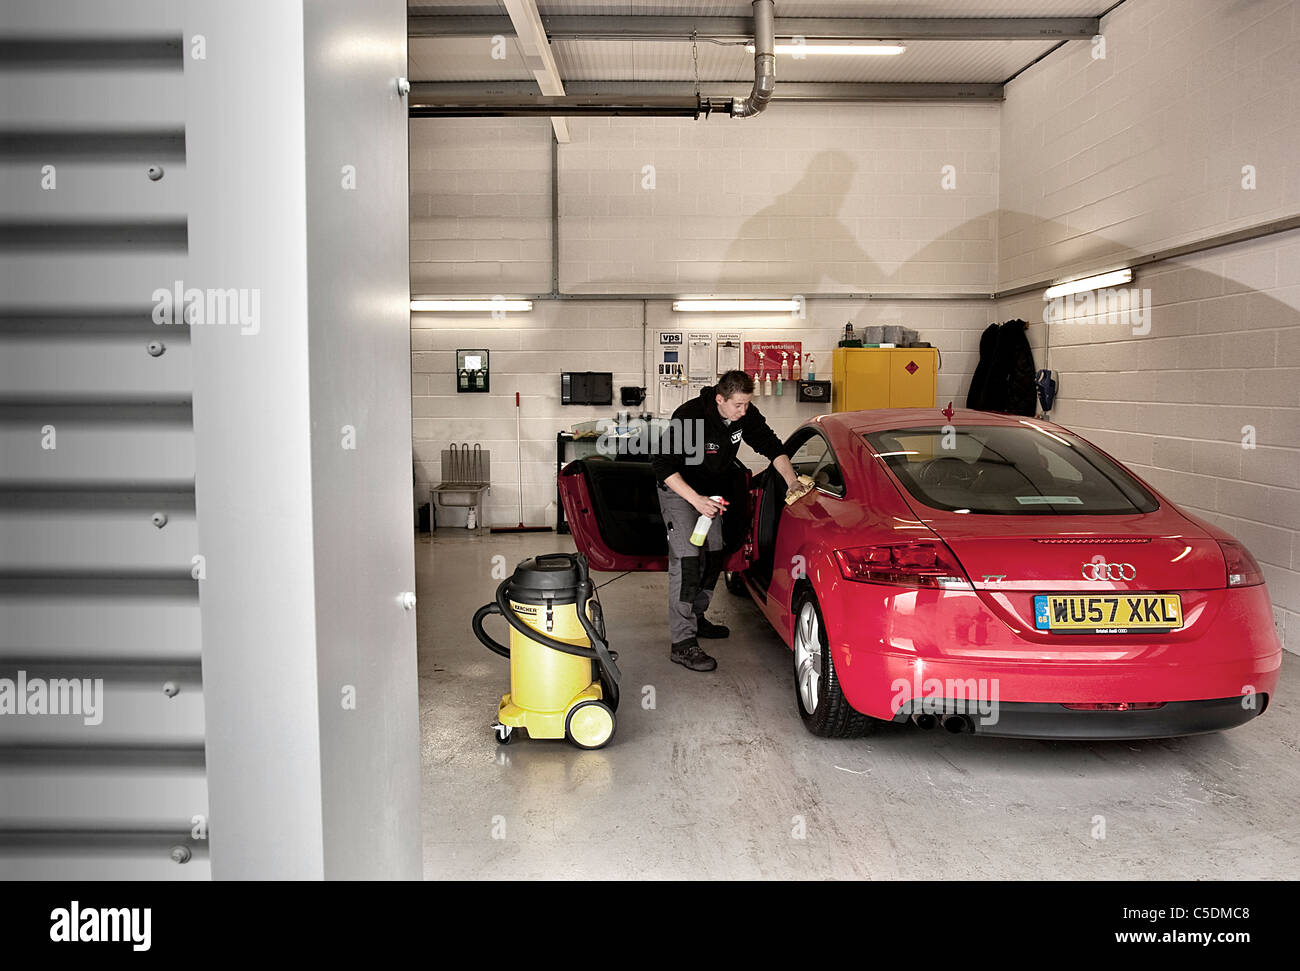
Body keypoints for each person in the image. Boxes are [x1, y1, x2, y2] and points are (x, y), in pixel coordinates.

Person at [649, 370, 799, 672]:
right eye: (738, 405)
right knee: (688, 560)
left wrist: (793, 481)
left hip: (712, 493)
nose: (744, 411)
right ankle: (682, 642)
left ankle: (697, 615)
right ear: (720, 399)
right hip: (680, 491)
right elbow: (662, 465)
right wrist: (696, 500)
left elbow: (772, 447)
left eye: (747, 405)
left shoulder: (745, 414)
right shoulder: (691, 417)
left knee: (714, 554)